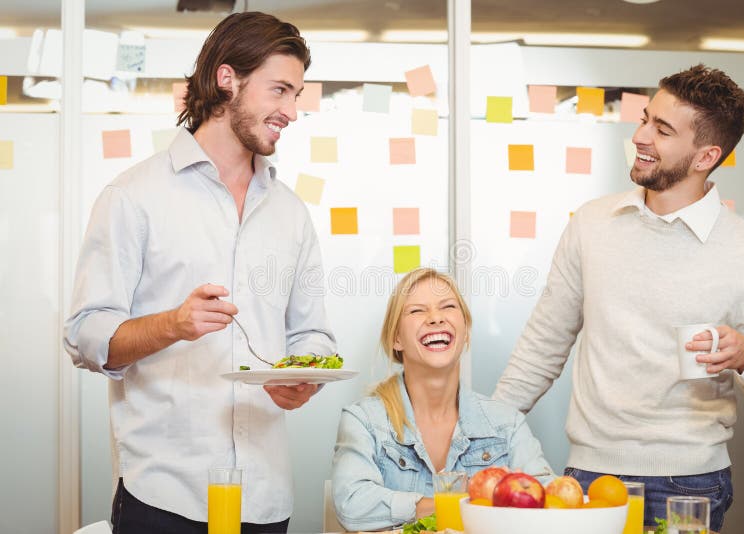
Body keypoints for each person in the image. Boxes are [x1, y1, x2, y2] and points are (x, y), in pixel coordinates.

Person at [493, 64, 744, 532]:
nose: (640, 135)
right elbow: (543, 343)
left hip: (690, 483)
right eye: (644, 119)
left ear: (705, 156)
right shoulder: (591, 224)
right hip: (587, 478)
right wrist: (484, 434)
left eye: (662, 129)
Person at [63, 12, 336, 534]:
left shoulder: (290, 213)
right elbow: (84, 336)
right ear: (226, 78)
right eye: (279, 91)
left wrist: (307, 378)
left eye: (296, 95)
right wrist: (174, 324)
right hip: (163, 496)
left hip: (264, 498)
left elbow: (312, 334)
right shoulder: (133, 197)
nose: (291, 112)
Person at [332, 268, 554, 532]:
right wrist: (462, 506)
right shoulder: (365, 421)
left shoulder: (508, 424)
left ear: (466, 331)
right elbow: (352, 504)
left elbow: (549, 498)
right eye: (417, 311)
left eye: (447, 307)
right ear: (396, 339)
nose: (435, 318)